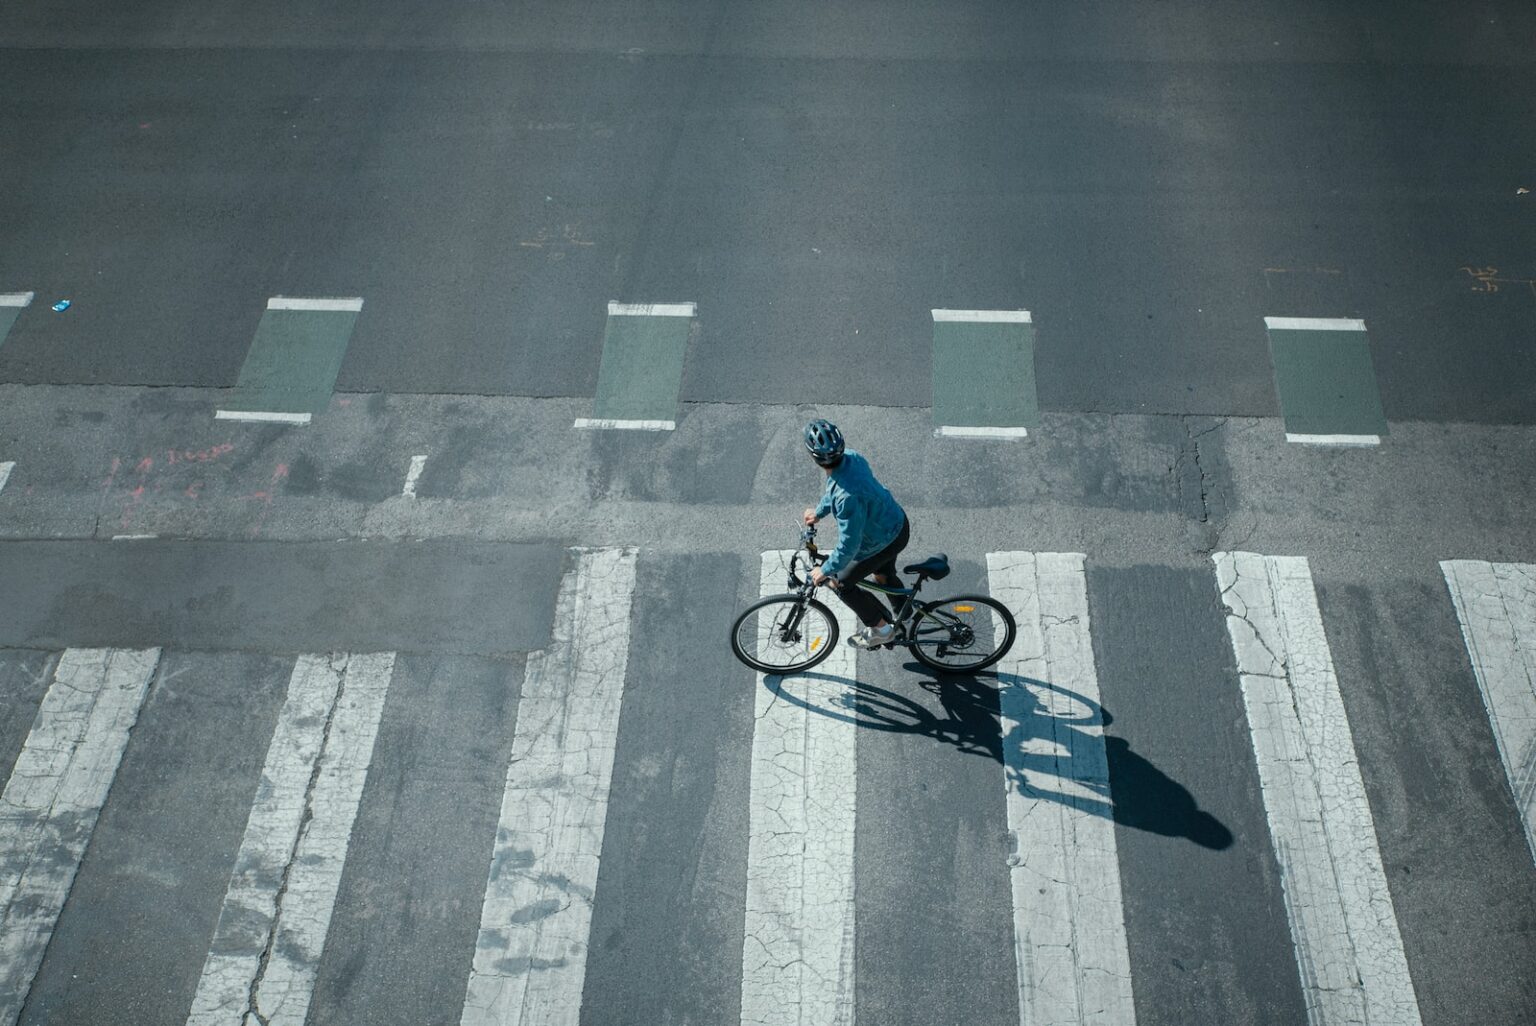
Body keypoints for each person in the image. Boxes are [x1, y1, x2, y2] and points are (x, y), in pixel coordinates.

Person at [800, 419, 911, 649]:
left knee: (840, 583)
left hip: (881, 540)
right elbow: (838, 487)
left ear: (814, 458)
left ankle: (881, 630)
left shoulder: (846, 499)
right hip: (896, 524)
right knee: (882, 575)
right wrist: (820, 513)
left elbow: (849, 545)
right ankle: (904, 611)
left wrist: (826, 570)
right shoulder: (852, 457)